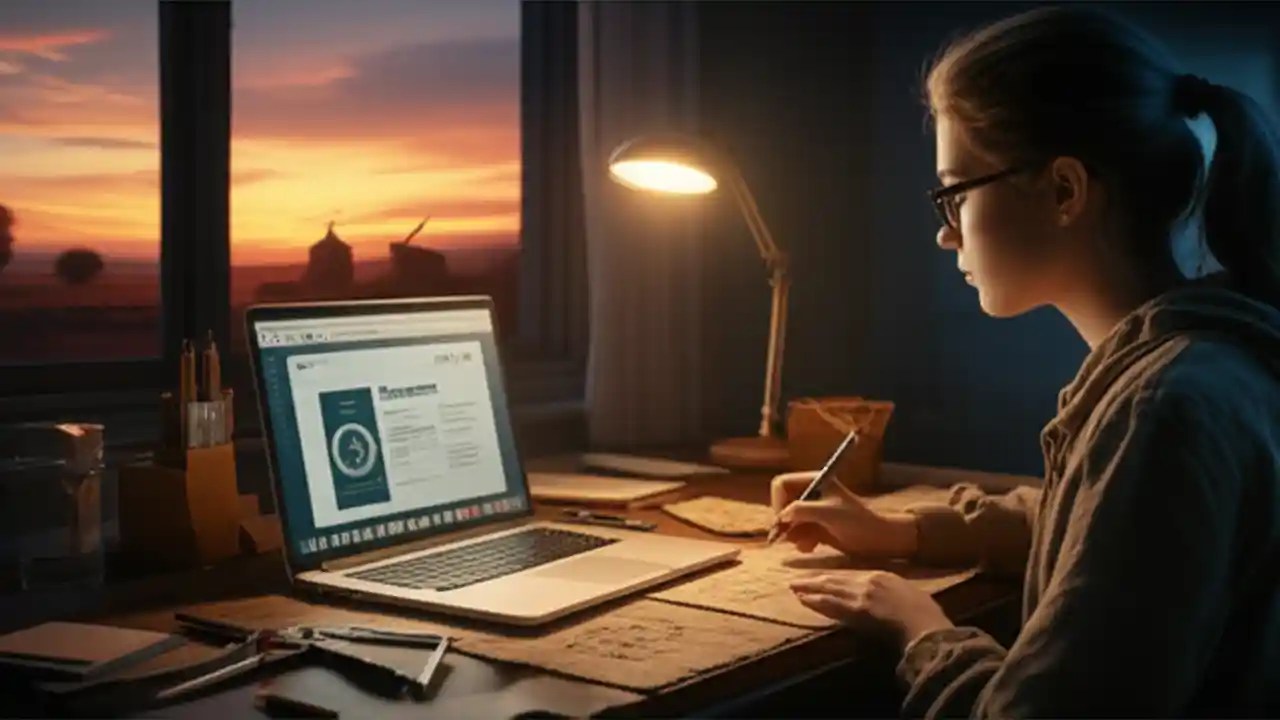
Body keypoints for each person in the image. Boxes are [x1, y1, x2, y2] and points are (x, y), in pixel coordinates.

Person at [771, 6, 1280, 717]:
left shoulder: (1162, 408)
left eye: (954, 193)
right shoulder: (1204, 366)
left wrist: (922, 631)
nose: (946, 235)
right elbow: (1107, 532)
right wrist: (906, 532)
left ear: (1065, 191)